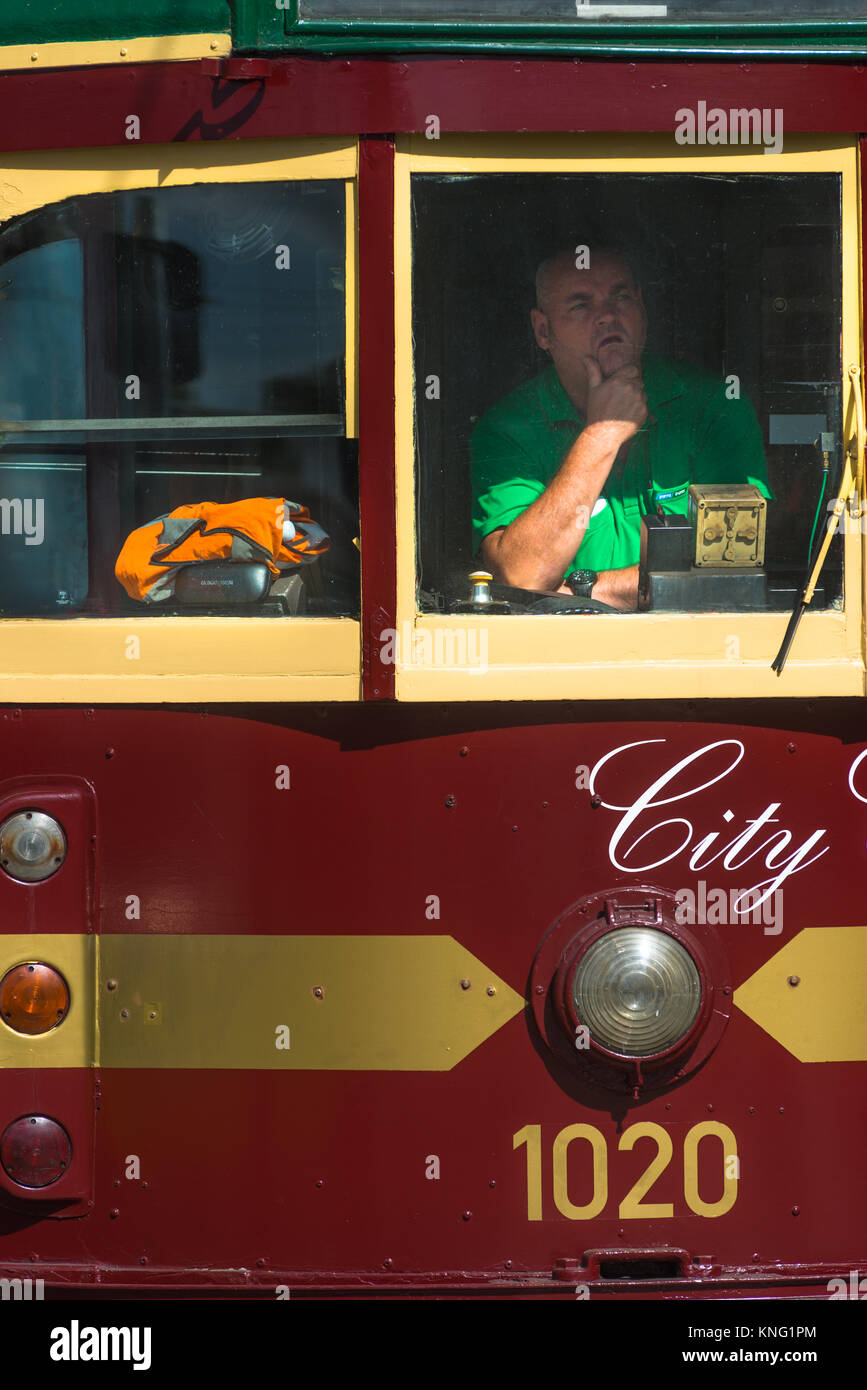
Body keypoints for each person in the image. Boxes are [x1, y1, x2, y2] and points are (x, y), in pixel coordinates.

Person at [470, 242, 771, 610]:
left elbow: (734, 562)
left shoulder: (715, 405)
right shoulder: (507, 428)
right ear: (543, 331)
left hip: (694, 647)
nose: (607, 316)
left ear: (643, 309)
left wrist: (583, 592)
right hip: (557, 654)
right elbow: (522, 577)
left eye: (622, 297)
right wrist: (602, 433)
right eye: (581, 304)